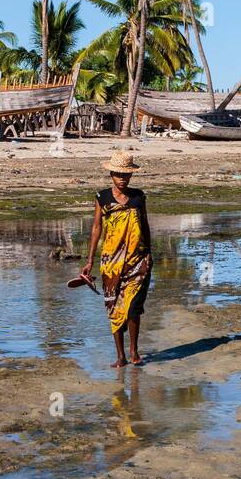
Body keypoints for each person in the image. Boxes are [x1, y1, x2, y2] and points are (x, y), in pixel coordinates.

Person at [82, 150, 153, 368]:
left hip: (137, 260)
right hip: (111, 263)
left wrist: (149, 252)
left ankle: (134, 350)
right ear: (111, 174)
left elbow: (145, 225)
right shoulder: (102, 198)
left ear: (131, 175)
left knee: (132, 307)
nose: (122, 179)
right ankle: (120, 356)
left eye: (126, 175)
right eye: (118, 174)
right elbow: (96, 228)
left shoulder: (138, 197)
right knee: (114, 307)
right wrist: (90, 261)